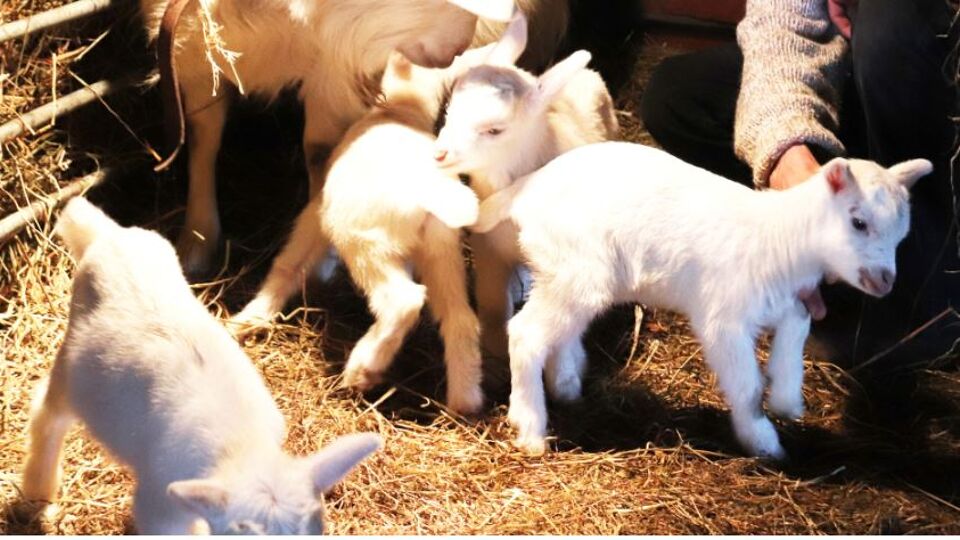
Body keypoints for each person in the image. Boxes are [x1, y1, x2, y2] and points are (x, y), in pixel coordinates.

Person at [640, 0, 959, 364]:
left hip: (937, 100)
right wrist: (787, 152)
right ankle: (814, 270)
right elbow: (783, 17)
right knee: (677, 95)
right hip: (863, 74)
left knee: (892, 23)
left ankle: (927, 304)